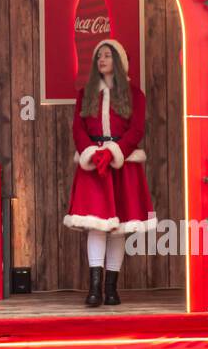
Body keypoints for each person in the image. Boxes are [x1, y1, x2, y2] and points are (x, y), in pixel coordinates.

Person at [63, 39, 155, 307]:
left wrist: (114, 152)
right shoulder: (85, 94)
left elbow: (136, 130)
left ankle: (111, 289)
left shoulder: (135, 95)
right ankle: (94, 290)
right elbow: (77, 129)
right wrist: (91, 153)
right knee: (96, 224)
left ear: (119, 60)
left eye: (107, 55)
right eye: (99, 56)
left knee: (118, 228)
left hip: (122, 165)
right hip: (94, 167)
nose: (102, 60)